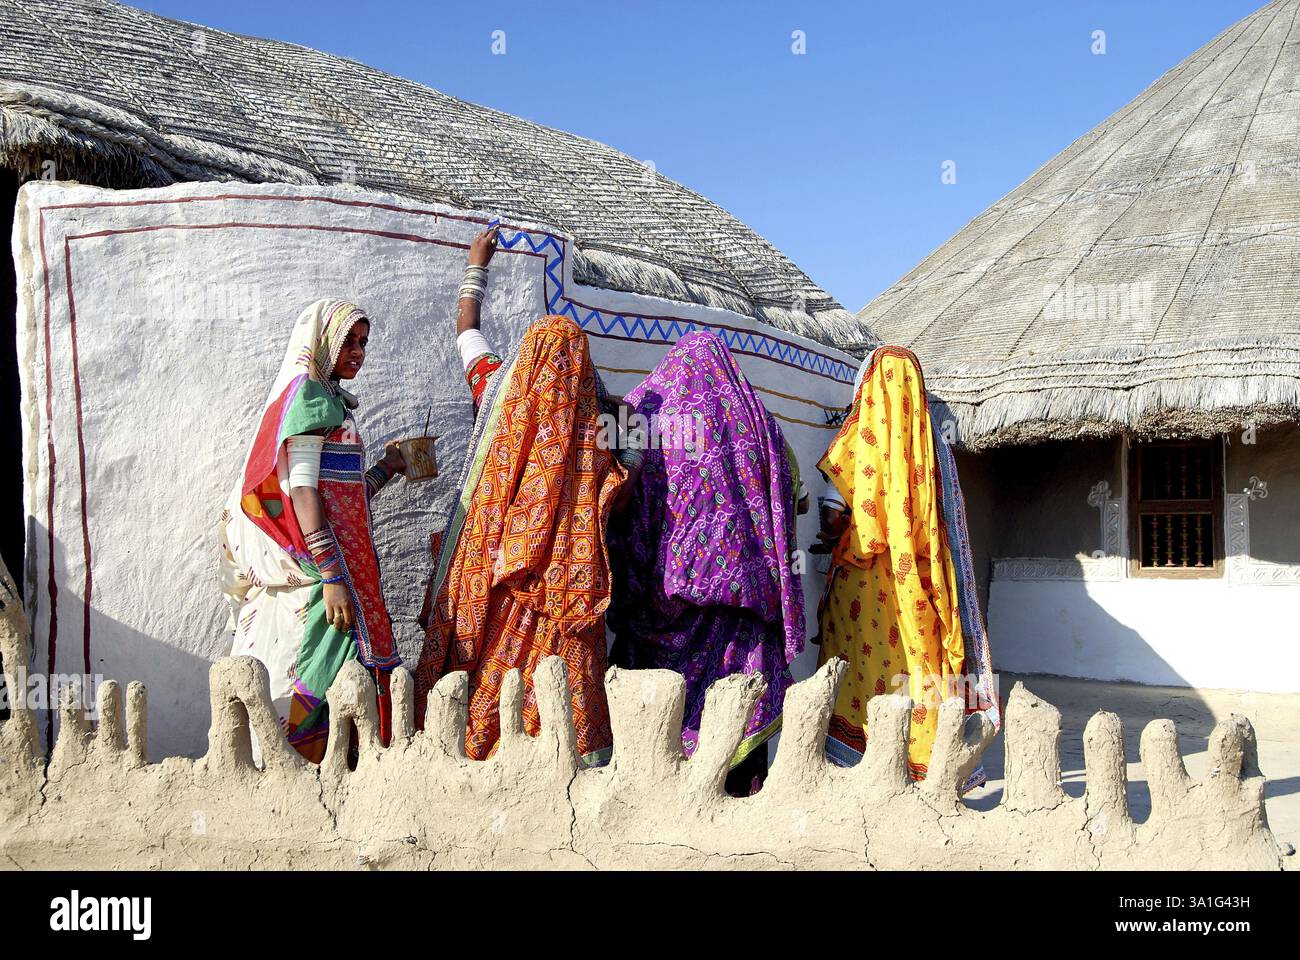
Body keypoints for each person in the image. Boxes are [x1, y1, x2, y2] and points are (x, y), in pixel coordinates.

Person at [413, 226, 635, 764]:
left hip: (490, 574)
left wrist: (476, 266)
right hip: (568, 588)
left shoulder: (497, 389)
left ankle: (472, 757)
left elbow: (466, 329)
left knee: (487, 675)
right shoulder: (602, 425)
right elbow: (625, 489)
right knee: (557, 689)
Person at [608, 331, 805, 796]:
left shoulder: (644, 417)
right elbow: (793, 502)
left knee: (656, 757)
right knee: (734, 754)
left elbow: (620, 510)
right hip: (744, 631)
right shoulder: (761, 426)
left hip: (663, 618)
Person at [219, 299, 405, 763]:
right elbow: (303, 494)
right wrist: (334, 578)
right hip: (325, 581)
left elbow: (342, 499)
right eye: (349, 342)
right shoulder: (310, 399)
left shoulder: (331, 402)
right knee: (315, 683)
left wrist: (387, 467)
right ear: (323, 342)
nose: (359, 352)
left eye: (364, 343)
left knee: (345, 689)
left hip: (347, 573)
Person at [810, 346, 998, 782]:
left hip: (862, 586)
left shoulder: (858, 439)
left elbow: (831, 517)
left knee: (861, 670)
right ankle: (929, 763)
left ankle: (855, 760)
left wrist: (842, 532)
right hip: (920, 581)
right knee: (921, 664)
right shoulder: (933, 446)